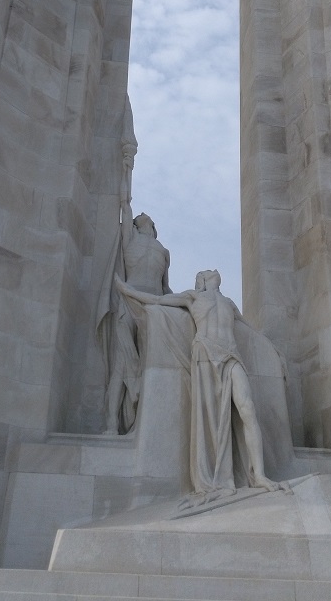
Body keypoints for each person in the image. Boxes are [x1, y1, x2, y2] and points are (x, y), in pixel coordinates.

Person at [117, 268, 284, 502]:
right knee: (210, 417)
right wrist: (127, 290)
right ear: (202, 280)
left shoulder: (229, 303)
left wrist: (274, 352)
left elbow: (250, 331)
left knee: (248, 409)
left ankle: (260, 476)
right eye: (207, 271)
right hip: (205, 352)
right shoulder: (192, 297)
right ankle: (215, 477)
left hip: (231, 355)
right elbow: (157, 299)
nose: (214, 271)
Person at [99, 200, 171, 434]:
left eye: (145, 215)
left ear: (152, 225)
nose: (141, 214)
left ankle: (145, 424)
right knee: (121, 363)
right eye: (137, 215)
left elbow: (166, 287)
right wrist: (125, 168)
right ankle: (111, 424)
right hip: (128, 301)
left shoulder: (163, 250)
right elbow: (124, 204)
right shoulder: (130, 237)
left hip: (154, 304)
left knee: (153, 363)